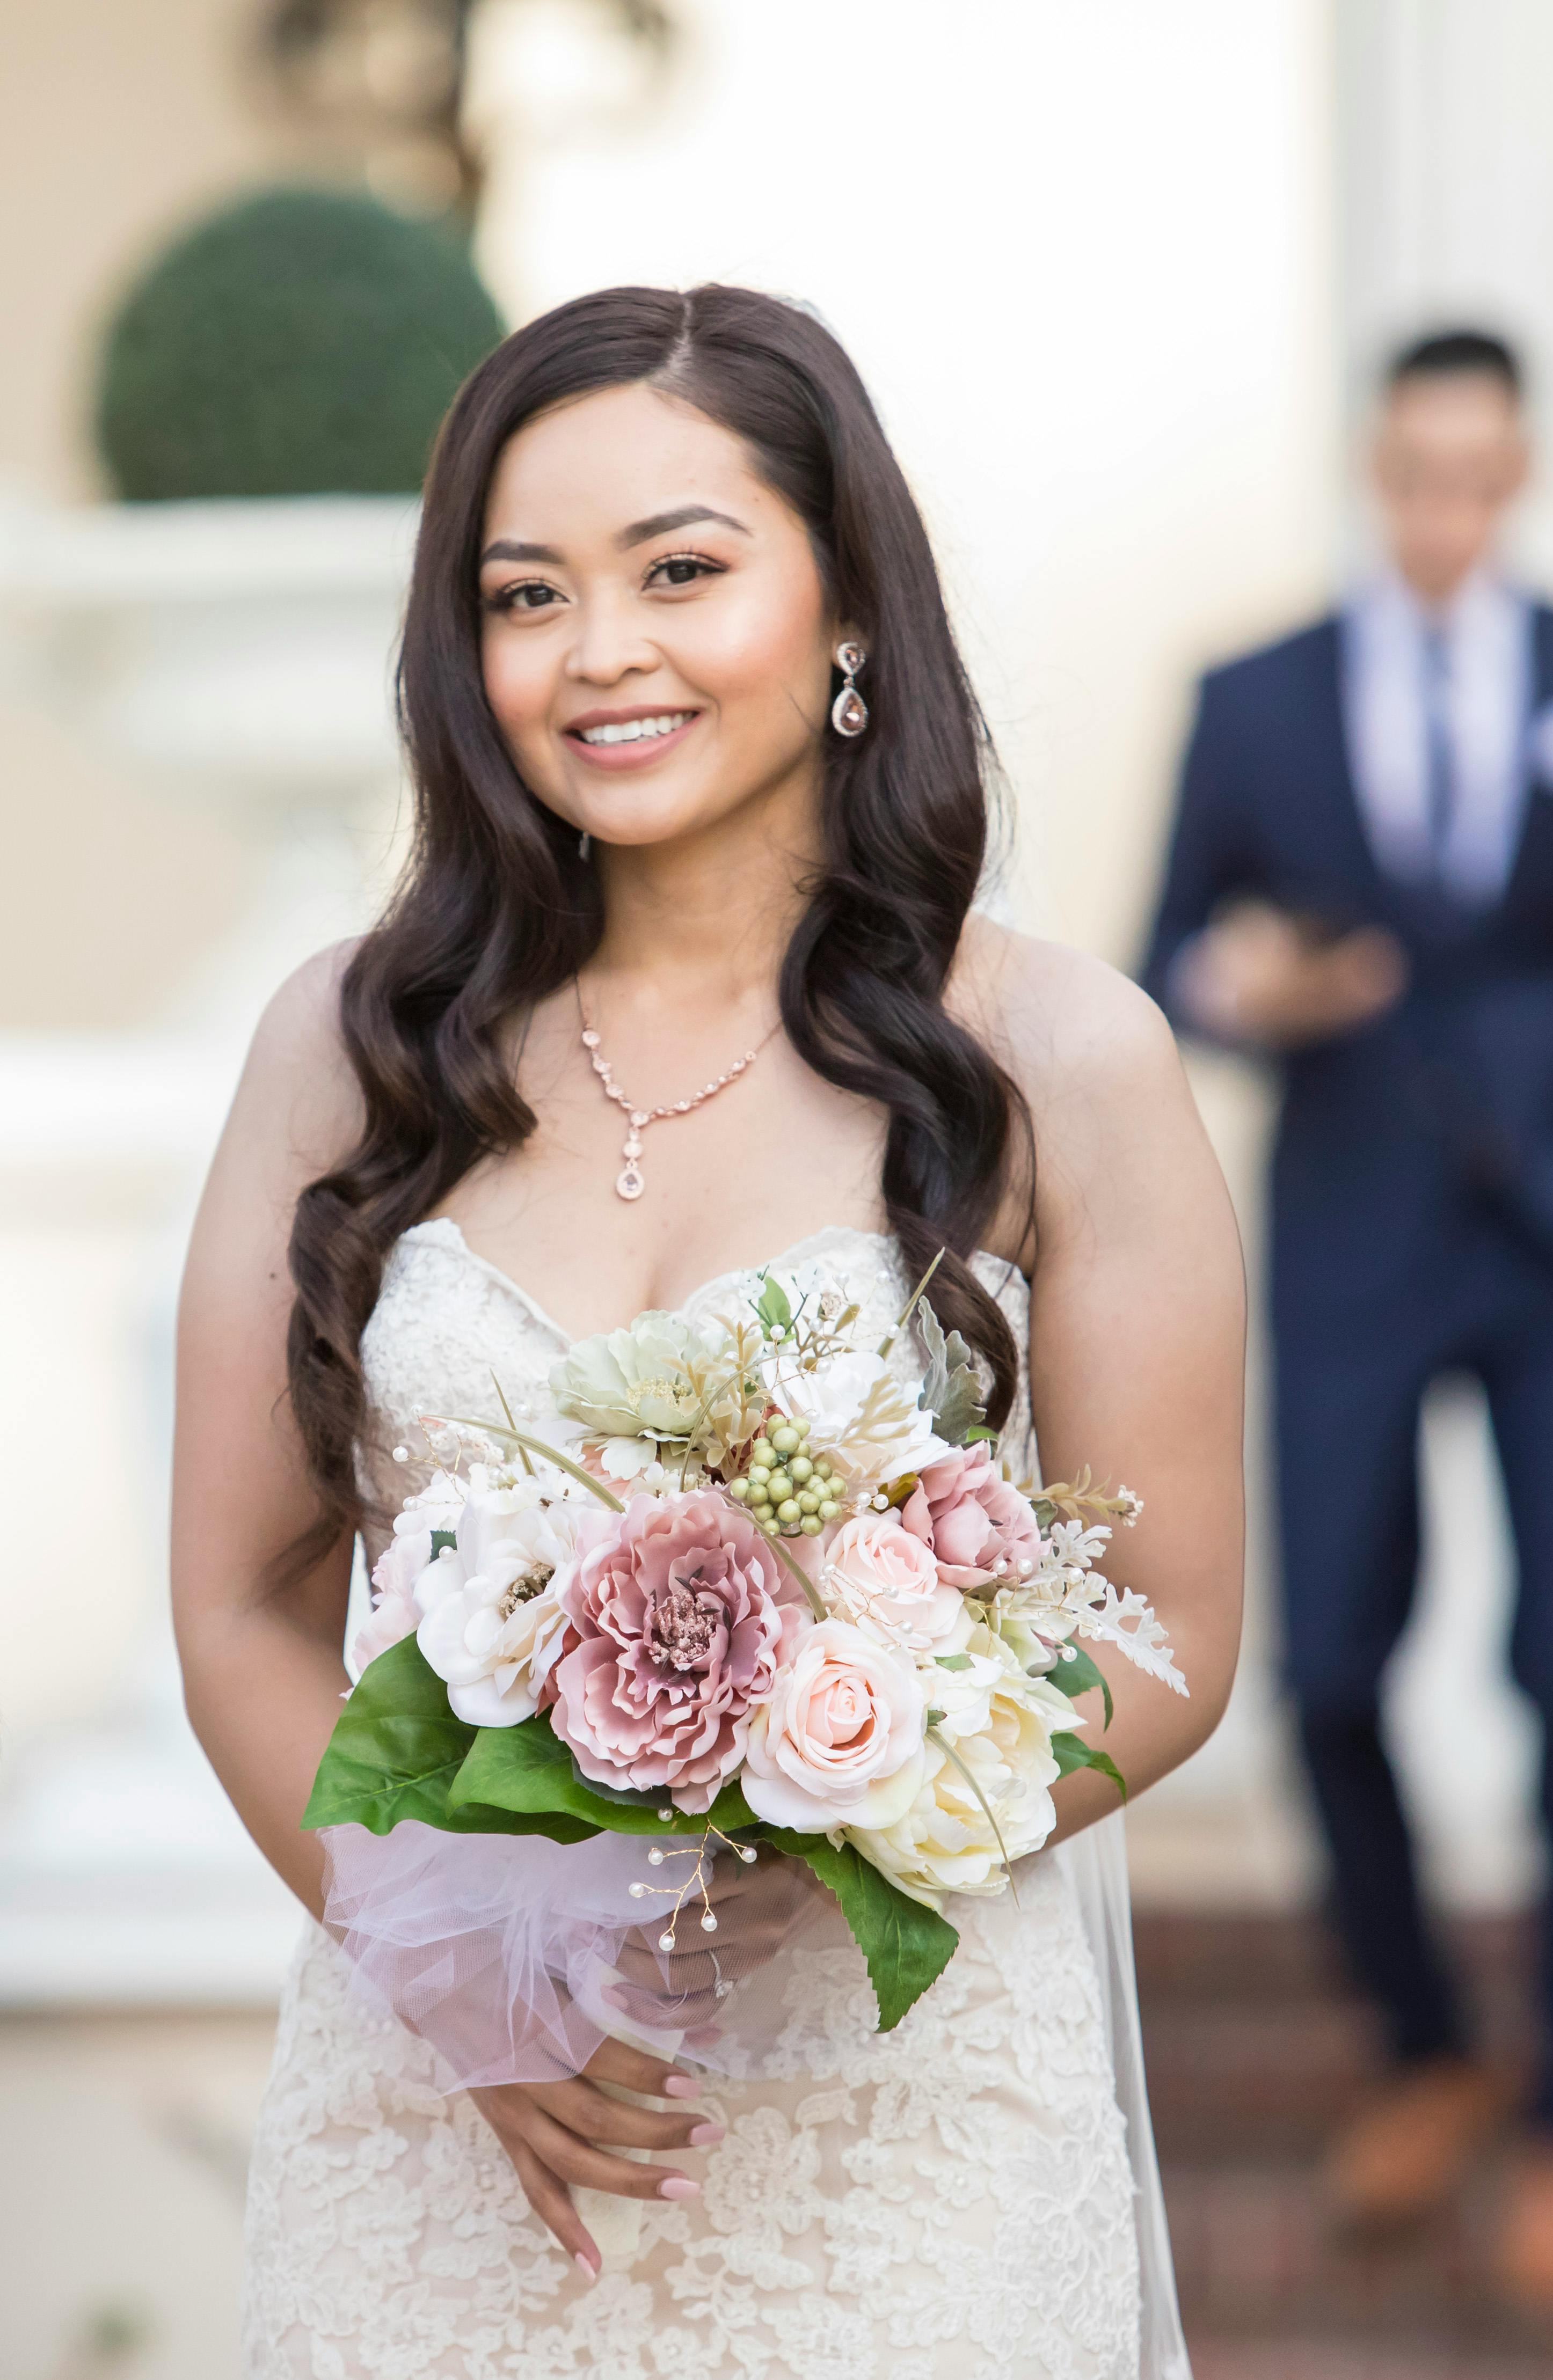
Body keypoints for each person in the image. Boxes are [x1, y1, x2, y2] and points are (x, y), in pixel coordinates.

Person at [172, 284, 1245, 2380]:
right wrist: (453, 1961)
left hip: (895, 2140)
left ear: (844, 604)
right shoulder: (350, 1040)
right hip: (439, 2135)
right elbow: (239, 1598)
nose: (601, 653)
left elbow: (1174, 1626)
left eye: (682, 569)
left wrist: (862, 1784)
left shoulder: (1059, 1055)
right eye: (525, 594)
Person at [1144, 328, 1553, 2311]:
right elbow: (1167, 955)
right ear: (1375, 468)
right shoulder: (1257, 698)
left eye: (1480, 474)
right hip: (1357, 1234)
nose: (1447, 513)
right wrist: (1250, 991)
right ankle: (1422, 2040)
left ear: (1523, 469)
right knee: (1322, 1677)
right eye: (1417, 473)